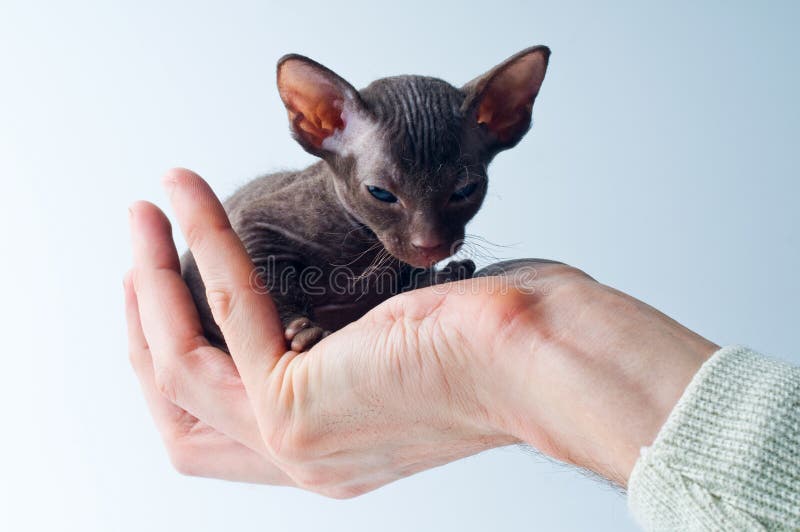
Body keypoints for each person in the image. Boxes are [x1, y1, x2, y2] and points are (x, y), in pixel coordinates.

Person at [125, 168, 799, 530]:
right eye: (387, 193)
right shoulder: (299, 208)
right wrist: (510, 348)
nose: (430, 234)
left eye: (460, 194)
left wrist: (504, 349)